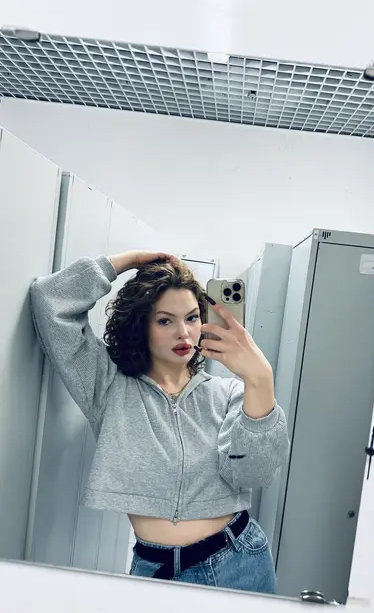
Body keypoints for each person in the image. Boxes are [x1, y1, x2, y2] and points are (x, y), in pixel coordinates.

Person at [30, 249, 290, 594]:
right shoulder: (107, 384)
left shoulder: (229, 393)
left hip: (239, 561)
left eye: (192, 318)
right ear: (141, 326)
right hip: (155, 571)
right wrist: (129, 261)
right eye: (165, 321)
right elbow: (50, 300)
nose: (184, 333)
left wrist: (261, 380)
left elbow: (252, 475)